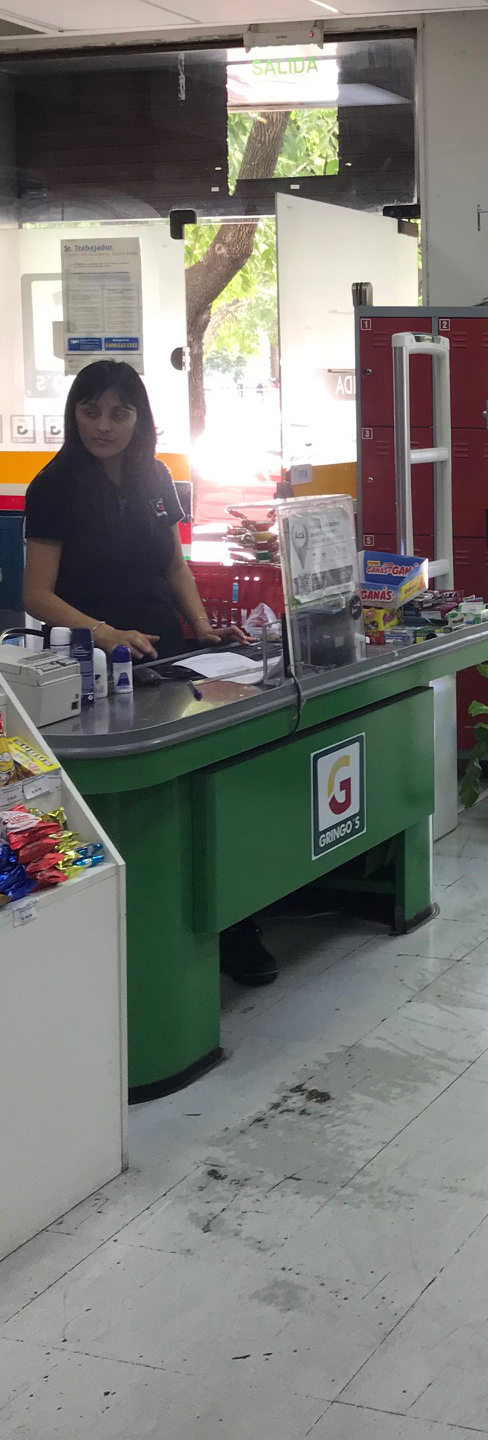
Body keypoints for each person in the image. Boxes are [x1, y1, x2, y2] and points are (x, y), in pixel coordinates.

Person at [22, 361, 277, 987]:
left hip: (165, 651)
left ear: (139, 418)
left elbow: (173, 565)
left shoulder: (156, 477)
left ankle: (233, 922)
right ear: (74, 415)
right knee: (149, 802)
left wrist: (204, 626)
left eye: (119, 412)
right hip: (95, 666)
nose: (103, 426)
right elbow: (37, 594)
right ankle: (143, 935)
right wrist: (106, 633)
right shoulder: (53, 487)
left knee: (209, 781)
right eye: (90, 411)